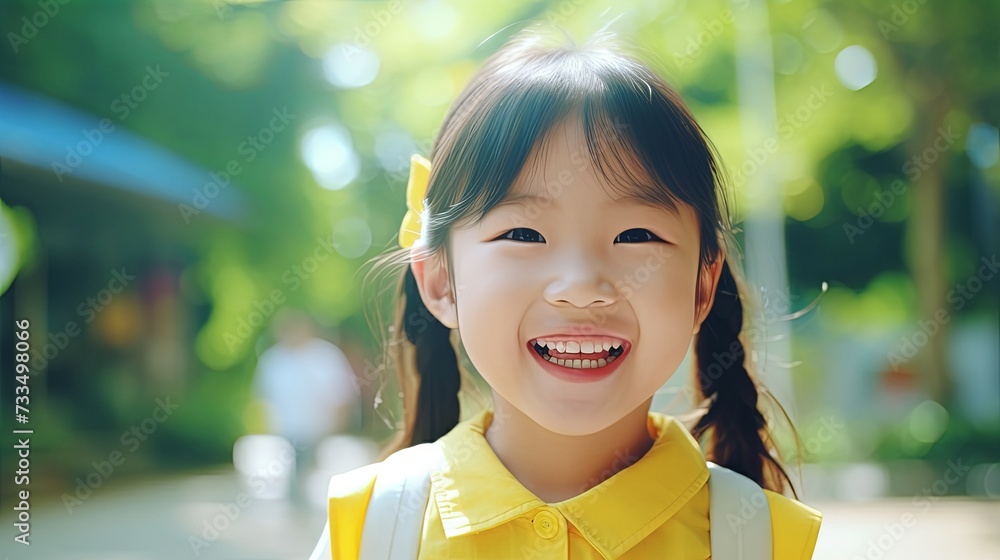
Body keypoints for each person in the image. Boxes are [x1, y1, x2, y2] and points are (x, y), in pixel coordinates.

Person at [311, 25, 822, 559]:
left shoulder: (765, 540)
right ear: (441, 282)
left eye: (636, 236)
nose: (581, 287)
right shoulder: (371, 527)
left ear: (701, 287)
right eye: (524, 235)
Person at [253, 308, 358, 506]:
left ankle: (305, 505)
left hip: (319, 428)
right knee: (297, 470)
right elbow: (265, 398)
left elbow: (342, 393)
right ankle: (299, 505)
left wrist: (337, 423)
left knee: (310, 470)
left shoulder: (325, 356)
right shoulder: (273, 360)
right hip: (288, 429)